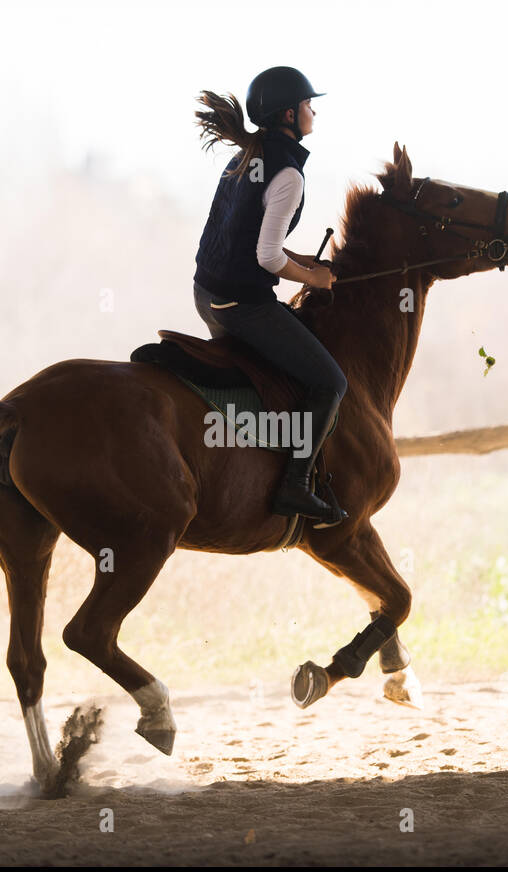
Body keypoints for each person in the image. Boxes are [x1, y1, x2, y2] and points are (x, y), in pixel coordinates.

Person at [191, 66, 348, 528]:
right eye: (306, 105)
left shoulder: (249, 155)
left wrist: (301, 259)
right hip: (239, 305)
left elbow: (253, 237)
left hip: (207, 292)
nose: (312, 110)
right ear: (288, 114)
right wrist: (313, 280)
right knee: (330, 382)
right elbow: (265, 257)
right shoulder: (289, 174)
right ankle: (294, 486)